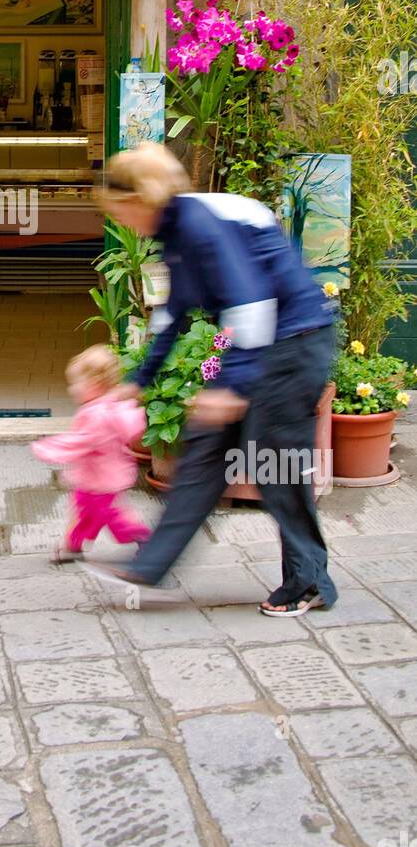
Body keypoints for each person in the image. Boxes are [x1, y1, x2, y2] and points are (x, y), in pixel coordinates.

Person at [85, 143, 338, 618]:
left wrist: (230, 388)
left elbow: (251, 304)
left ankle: (309, 582)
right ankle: (149, 567)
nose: (118, 221)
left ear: (140, 198)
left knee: (274, 466)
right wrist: (140, 378)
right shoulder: (176, 231)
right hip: (260, 342)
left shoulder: (200, 226)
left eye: (118, 211)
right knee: (204, 452)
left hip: (294, 342)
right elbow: (174, 315)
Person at [32, 345, 151, 564]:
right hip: (101, 477)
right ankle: (72, 546)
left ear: (94, 384)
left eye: (76, 383)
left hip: (100, 480)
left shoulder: (96, 414)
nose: (72, 389)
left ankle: (145, 540)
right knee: (87, 513)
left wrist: (50, 448)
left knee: (111, 517)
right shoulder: (107, 404)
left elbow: (83, 441)